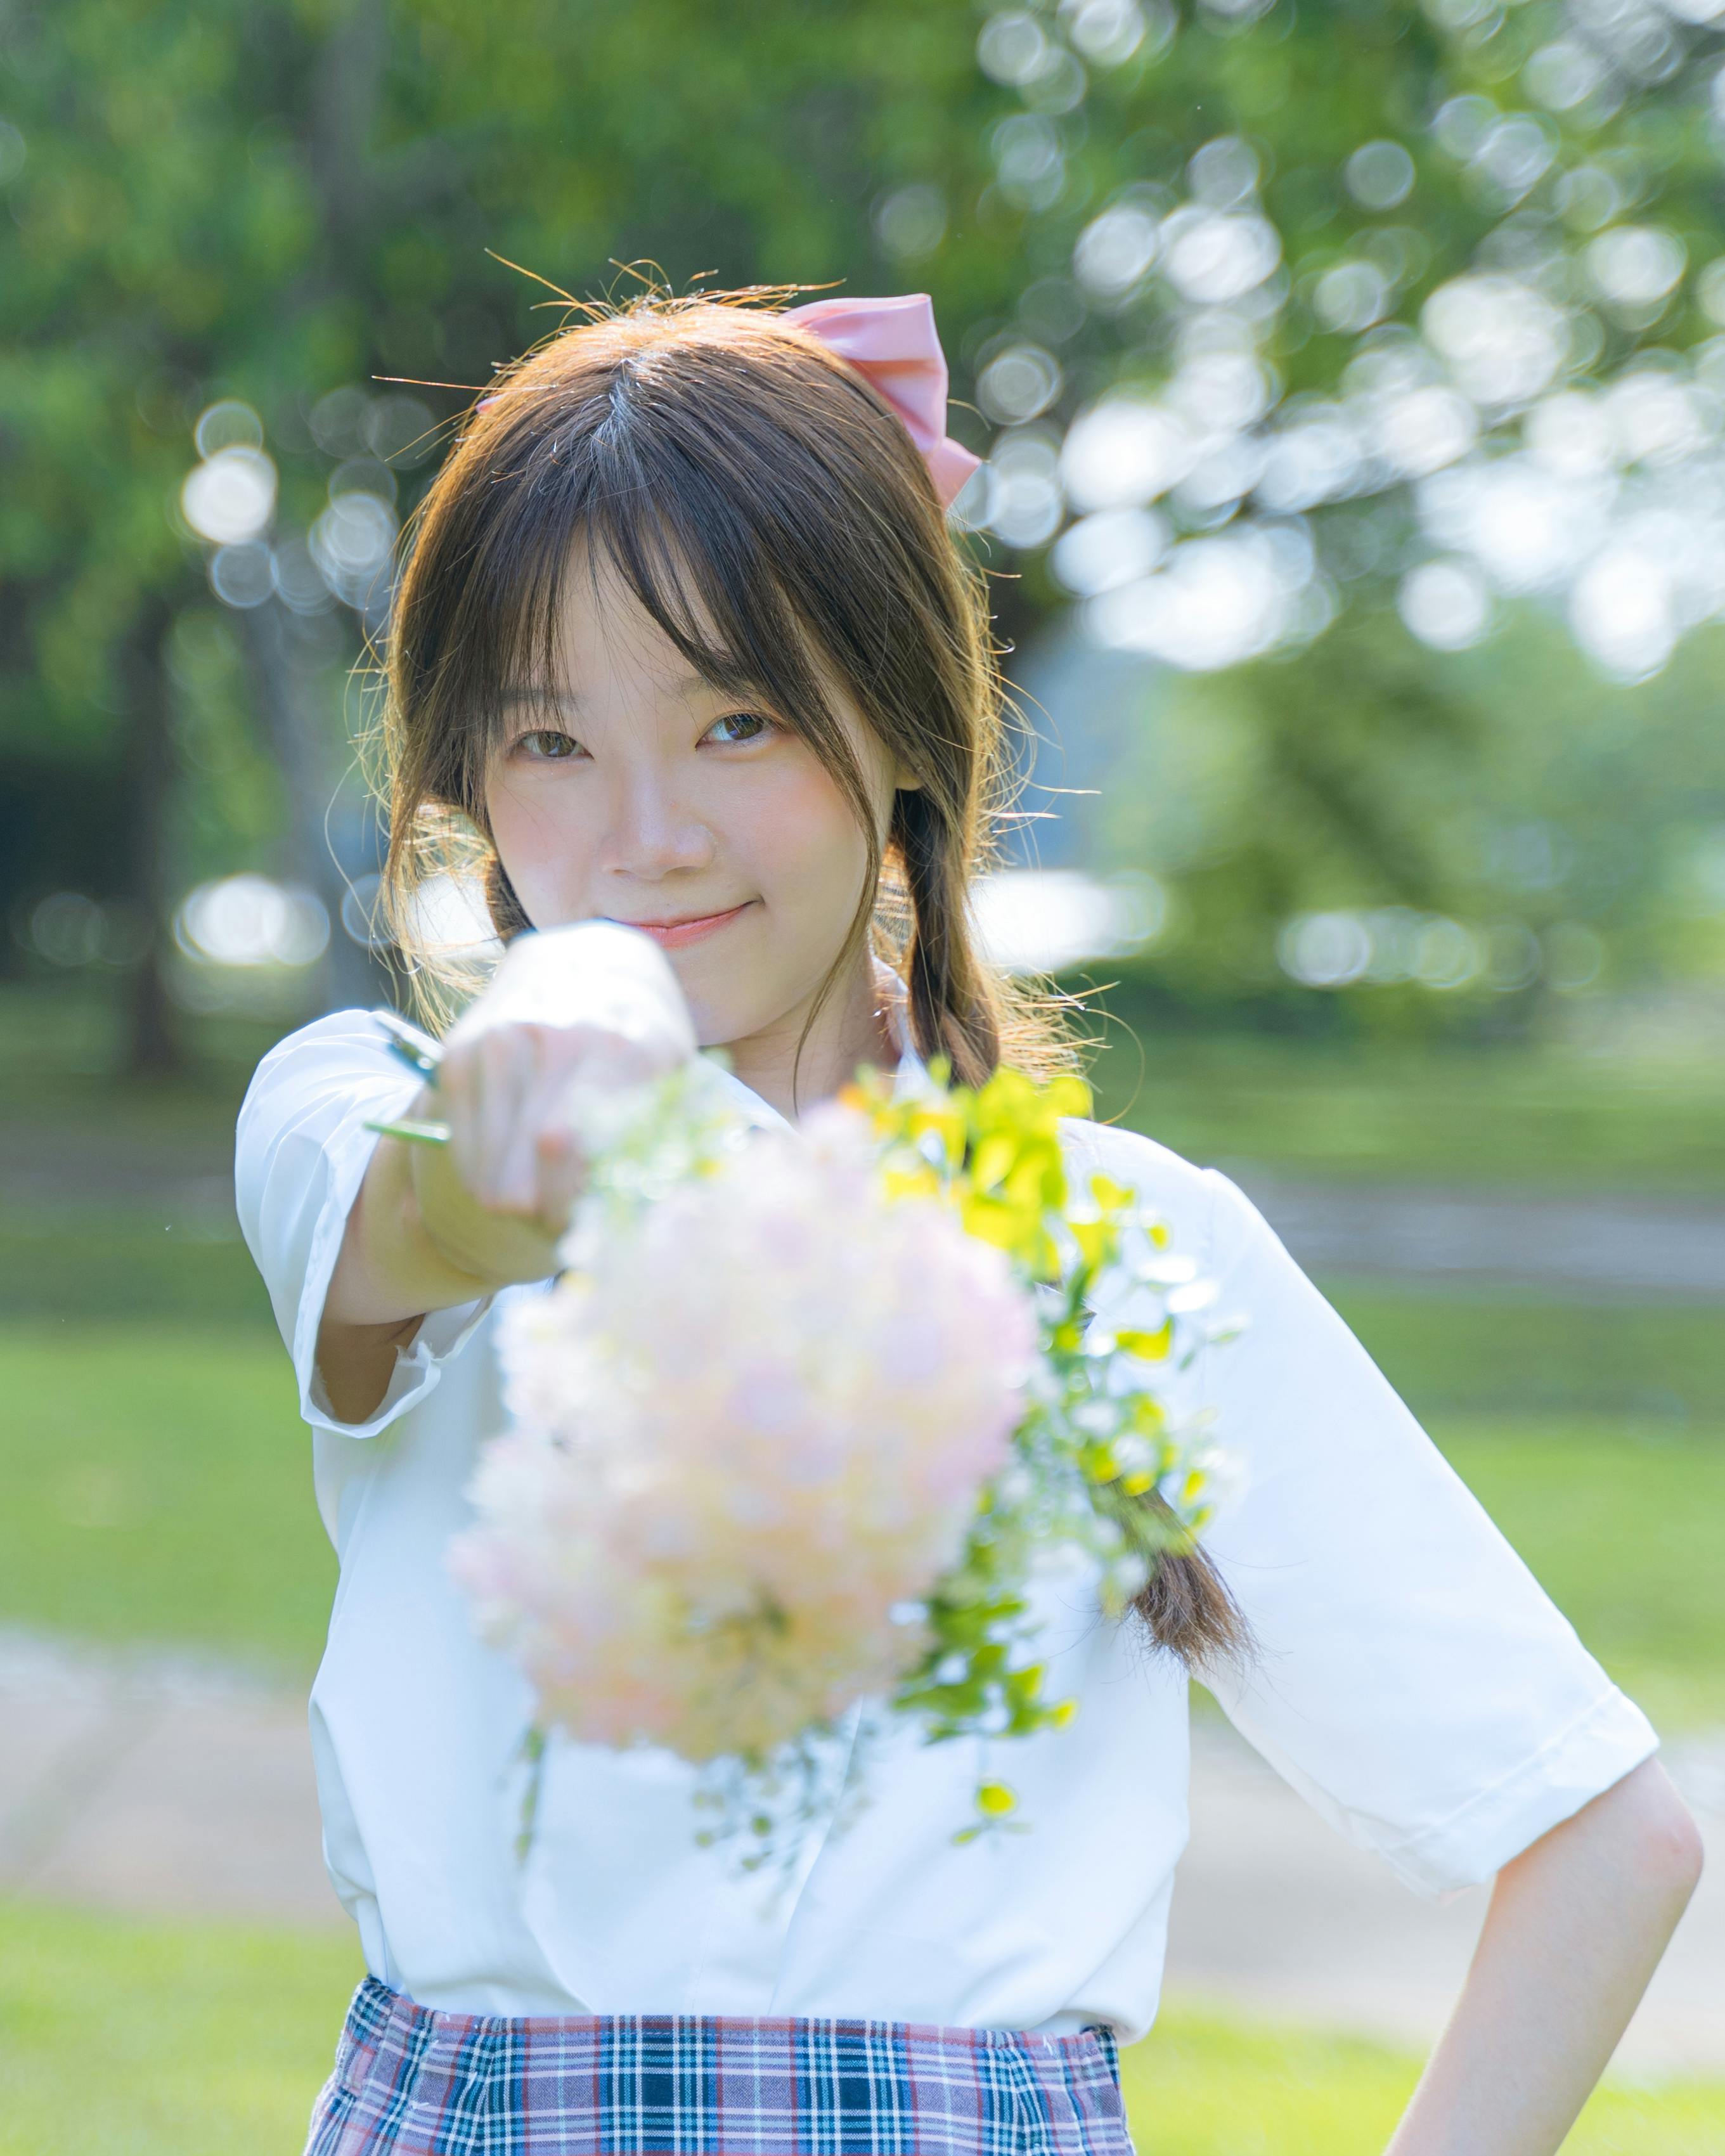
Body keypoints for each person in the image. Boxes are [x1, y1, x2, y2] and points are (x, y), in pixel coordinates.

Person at [235, 289, 1701, 2156]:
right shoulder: (352, 1119)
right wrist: (545, 1063)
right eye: (547, 742)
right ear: (462, 780)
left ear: (904, 727)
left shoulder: (1117, 1248)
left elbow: (1602, 1836)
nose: (646, 832)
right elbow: (442, 1207)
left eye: (737, 718)